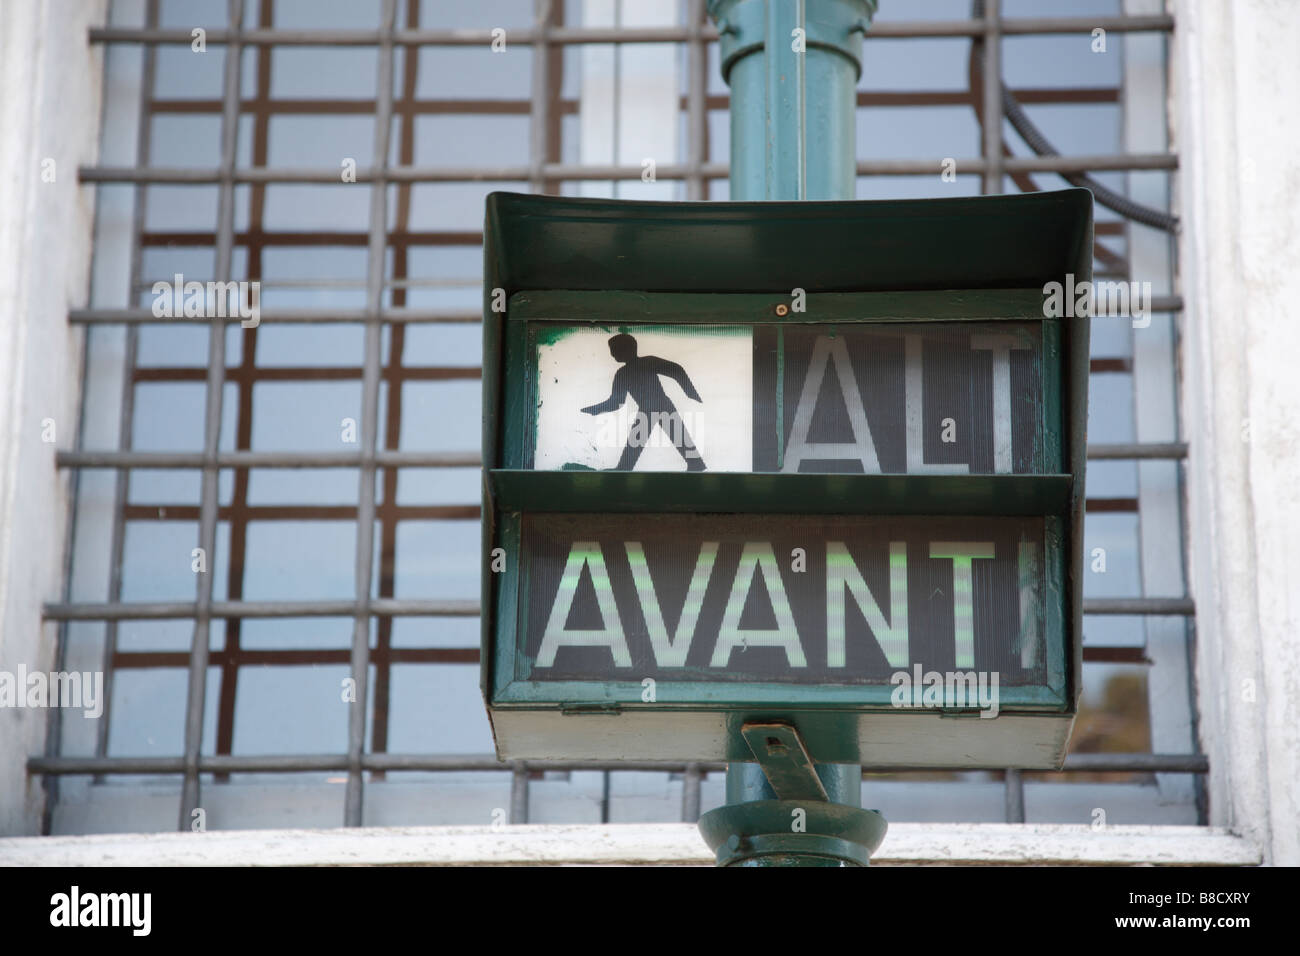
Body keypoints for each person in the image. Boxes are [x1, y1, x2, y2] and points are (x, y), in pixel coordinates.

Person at [580, 333, 707, 471]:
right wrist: (595, 409)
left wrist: (691, 393)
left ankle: (625, 467)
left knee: (668, 436)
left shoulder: (645, 363)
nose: (612, 354)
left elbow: (676, 370)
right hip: (651, 407)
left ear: (627, 349)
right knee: (640, 439)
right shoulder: (622, 374)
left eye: (614, 350)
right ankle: (625, 467)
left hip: (659, 405)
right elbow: (617, 402)